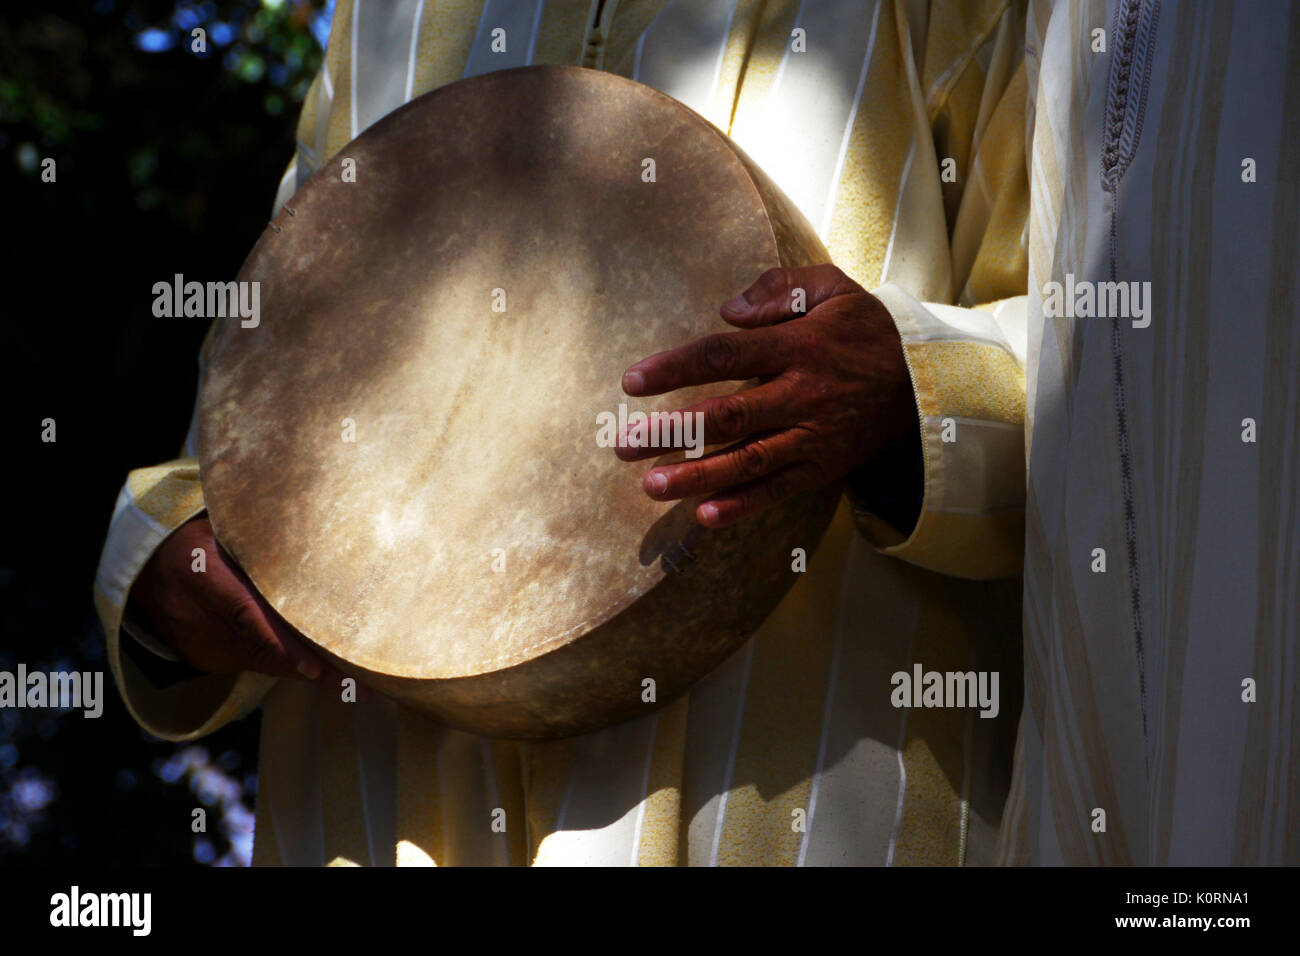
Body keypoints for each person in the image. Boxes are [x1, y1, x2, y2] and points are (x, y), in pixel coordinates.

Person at [102, 0, 1299, 866]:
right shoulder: (390, 16)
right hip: (390, 813)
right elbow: (256, 402)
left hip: (790, 797)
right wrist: (163, 566)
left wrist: (911, 385)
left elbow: (1137, 374)